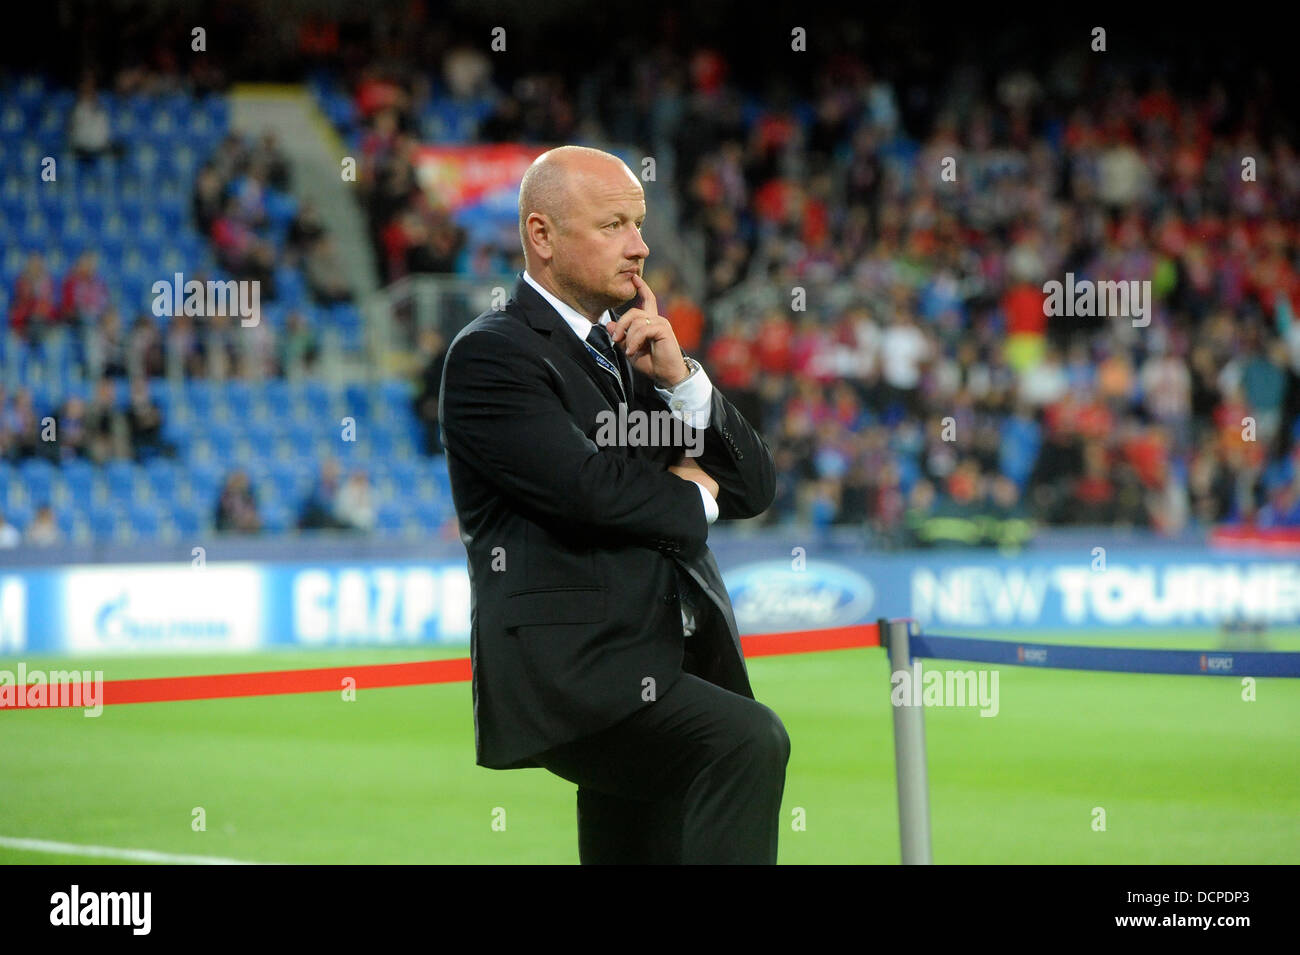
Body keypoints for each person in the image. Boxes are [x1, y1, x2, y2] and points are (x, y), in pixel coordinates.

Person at [440, 145, 788, 864]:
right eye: (613, 225)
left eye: (639, 222)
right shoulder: (495, 355)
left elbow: (753, 487)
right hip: (578, 674)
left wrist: (683, 379)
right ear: (542, 236)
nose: (641, 245)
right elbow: (588, 489)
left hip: (650, 661)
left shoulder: (631, 353)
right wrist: (695, 496)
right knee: (747, 740)